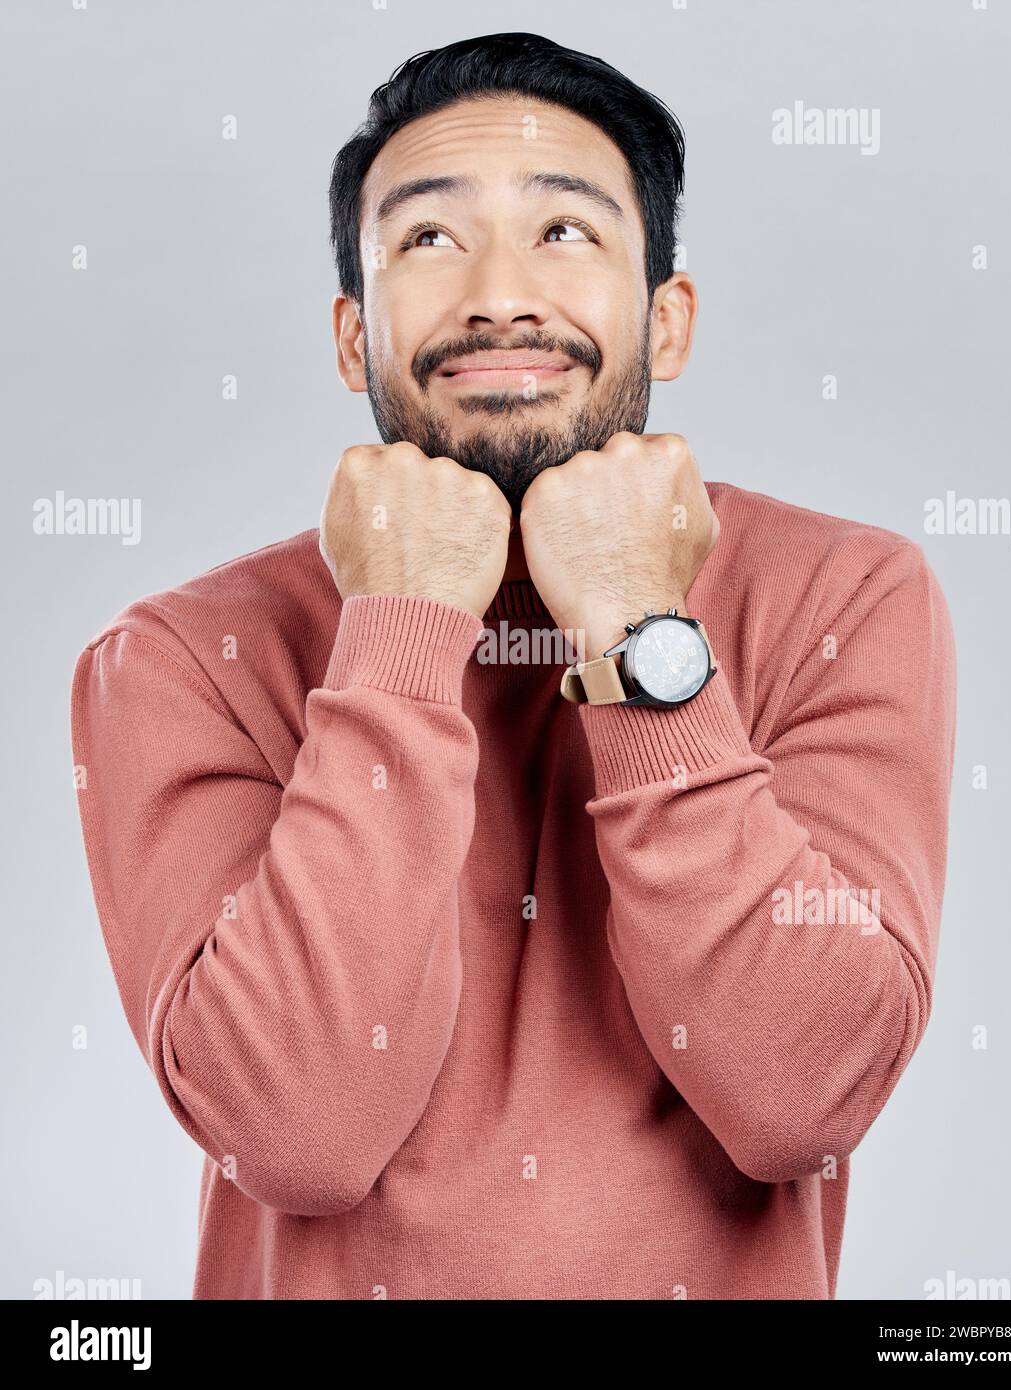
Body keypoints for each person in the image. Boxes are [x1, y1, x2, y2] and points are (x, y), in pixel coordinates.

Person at [70, 32, 956, 1300]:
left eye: (565, 233)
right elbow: (298, 1131)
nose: (498, 295)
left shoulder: (849, 597)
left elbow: (802, 1096)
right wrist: (405, 627)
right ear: (348, 336)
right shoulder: (176, 658)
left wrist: (640, 628)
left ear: (668, 319)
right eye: (428, 241)